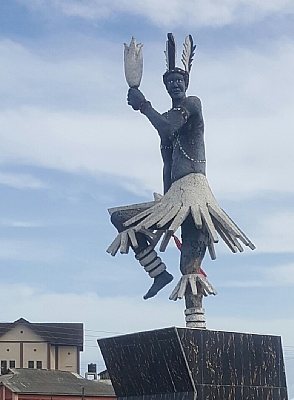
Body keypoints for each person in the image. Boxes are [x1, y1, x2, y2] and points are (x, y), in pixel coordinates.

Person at [108, 33, 254, 326]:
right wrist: (166, 207)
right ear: (166, 86)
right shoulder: (166, 120)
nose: (175, 84)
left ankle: (196, 329)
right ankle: (157, 273)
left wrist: (143, 105)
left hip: (197, 199)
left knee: (190, 268)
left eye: (179, 80)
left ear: (186, 83)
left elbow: (168, 128)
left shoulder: (192, 104)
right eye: (170, 81)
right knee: (122, 219)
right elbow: (167, 160)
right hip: (175, 199)